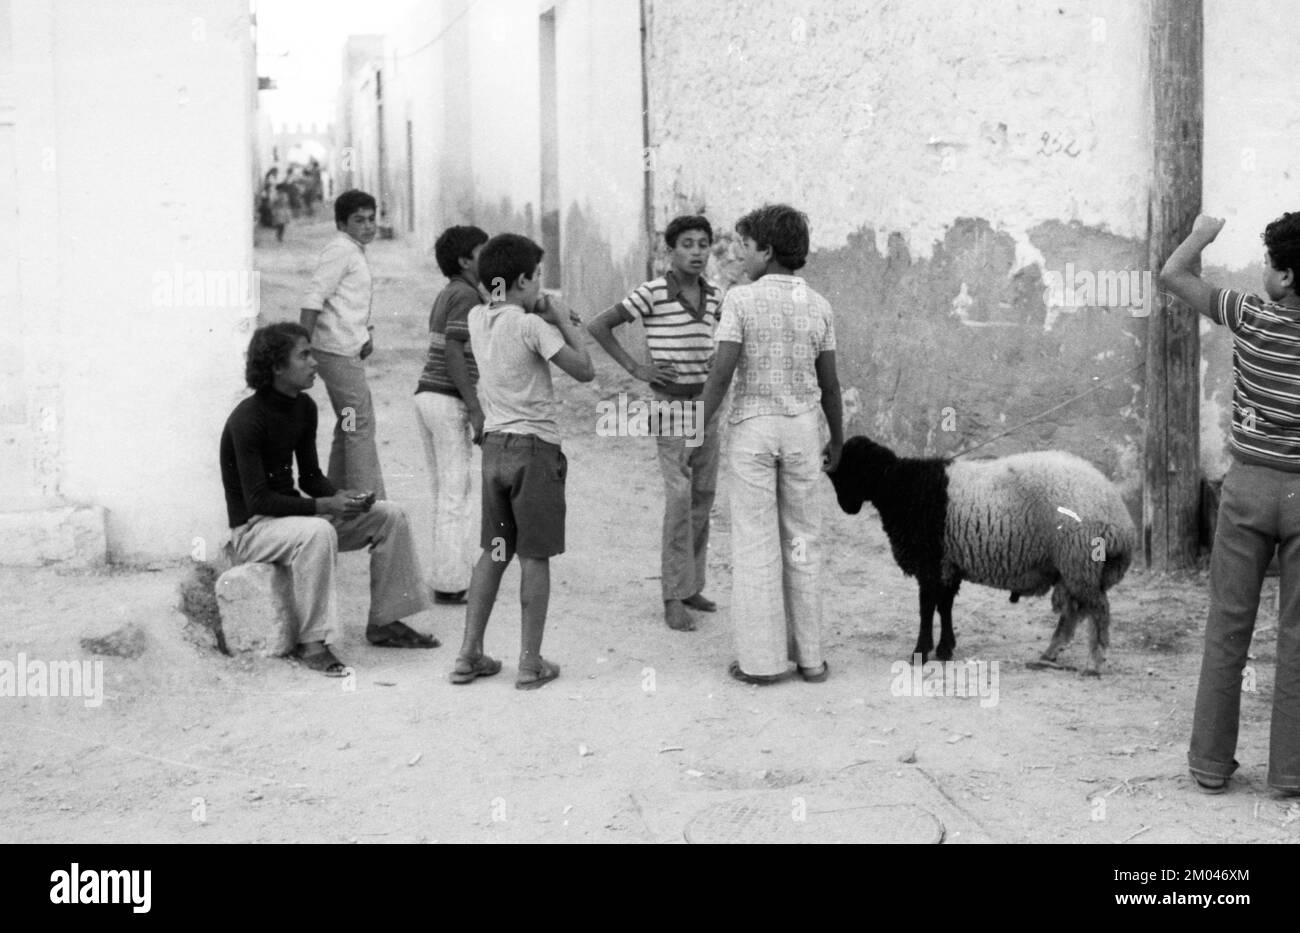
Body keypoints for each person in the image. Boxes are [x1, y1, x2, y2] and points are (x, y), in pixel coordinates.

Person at [1162, 212, 1300, 796]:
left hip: (1246, 491)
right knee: (1297, 637)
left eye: (1270, 263)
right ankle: (1290, 773)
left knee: (1227, 627)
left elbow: (1172, 274)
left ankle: (1210, 764)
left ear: (1287, 277)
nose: (1263, 270)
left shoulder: (1250, 314)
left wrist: (1201, 233)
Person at [220, 322, 437, 676]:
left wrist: (341, 496)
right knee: (318, 532)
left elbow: (309, 477)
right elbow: (258, 500)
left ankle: (386, 621)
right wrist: (324, 506)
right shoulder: (247, 419)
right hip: (255, 531)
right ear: (276, 366)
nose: (314, 362)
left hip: (293, 521)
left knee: (390, 515)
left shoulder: (303, 407)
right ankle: (313, 641)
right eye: (303, 355)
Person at [700, 204, 842, 685]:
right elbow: (831, 384)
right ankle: (812, 660)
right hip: (803, 430)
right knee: (803, 540)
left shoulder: (740, 301)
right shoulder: (819, 305)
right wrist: (837, 438)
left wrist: (697, 428)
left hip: (754, 430)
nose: (742, 255)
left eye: (746, 246)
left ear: (767, 250)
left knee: (757, 542)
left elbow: (721, 373)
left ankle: (761, 663)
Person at [451, 233, 594, 689]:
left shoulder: (478, 317)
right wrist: (561, 318)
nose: (541, 287)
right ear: (521, 280)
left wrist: (526, 301)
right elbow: (585, 369)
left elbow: (495, 301)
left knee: (494, 553)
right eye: (537, 279)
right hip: (534, 451)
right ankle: (530, 662)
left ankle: (468, 653)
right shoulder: (532, 327)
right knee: (534, 556)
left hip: (495, 449)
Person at [588, 215, 721, 632]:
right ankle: (671, 596)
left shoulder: (716, 296)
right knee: (679, 498)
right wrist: (637, 368)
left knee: (703, 494)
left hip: (707, 405)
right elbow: (599, 325)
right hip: (671, 406)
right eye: (687, 244)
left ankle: (691, 584)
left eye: (703, 244)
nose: (696, 252)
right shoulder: (653, 292)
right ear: (670, 250)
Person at [414, 225, 490, 605]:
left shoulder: (451, 292)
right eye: (483, 252)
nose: (489, 258)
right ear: (464, 261)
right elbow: (455, 353)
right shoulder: (465, 296)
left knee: (447, 491)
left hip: (429, 398)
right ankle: (451, 582)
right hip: (448, 400)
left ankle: (449, 572)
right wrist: (475, 408)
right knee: (456, 493)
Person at [300, 189, 387, 499]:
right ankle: (366, 502)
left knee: (348, 422)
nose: (367, 226)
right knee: (360, 423)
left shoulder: (353, 250)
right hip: (334, 349)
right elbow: (315, 296)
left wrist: (364, 333)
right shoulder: (340, 250)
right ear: (341, 223)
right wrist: (301, 344)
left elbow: (347, 301)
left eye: (371, 219)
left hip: (344, 345)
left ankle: (335, 495)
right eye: (358, 220)